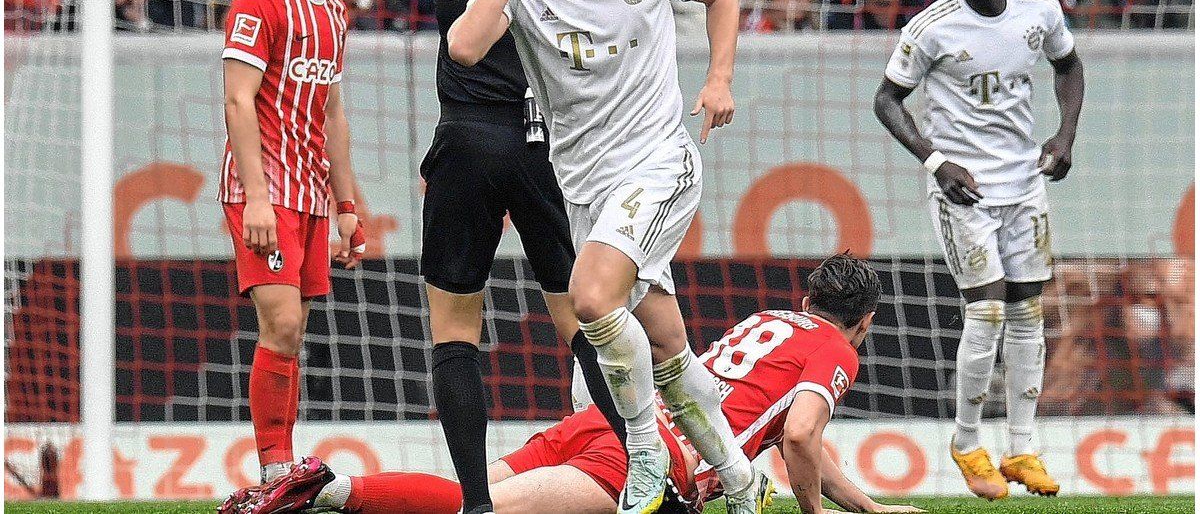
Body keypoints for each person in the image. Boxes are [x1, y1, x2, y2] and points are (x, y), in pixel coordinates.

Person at [445, 0, 772, 512]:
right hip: (585, 184)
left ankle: (644, 450)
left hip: (659, 161)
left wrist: (718, 79)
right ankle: (742, 480)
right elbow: (465, 47)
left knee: (592, 300)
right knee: (669, 347)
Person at [229, 255, 926, 514]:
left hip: (615, 421)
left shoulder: (771, 320)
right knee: (480, 509)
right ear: (864, 322)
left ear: (806, 300)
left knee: (469, 492)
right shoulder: (837, 348)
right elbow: (800, 434)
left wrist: (865, 506)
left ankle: (316, 491)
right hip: (650, 460)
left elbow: (797, 437)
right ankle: (324, 488)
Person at [402, 0, 624, 513]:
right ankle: (652, 477)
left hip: (468, 139)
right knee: (585, 322)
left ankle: (477, 502)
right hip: (545, 144)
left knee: (454, 329)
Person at [873, 0, 1085, 500]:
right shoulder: (931, 28)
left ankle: (1021, 448)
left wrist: (1064, 136)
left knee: (1028, 312)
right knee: (987, 311)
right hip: (962, 189)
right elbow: (886, 100)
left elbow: (1068, 66)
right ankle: (967, 443)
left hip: (1025, 182)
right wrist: (936, 161)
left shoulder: (1040, 12)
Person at [215, 0, 368, 513]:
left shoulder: (334, 13)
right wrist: (256, 198)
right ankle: (275, 468)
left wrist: (347, 206)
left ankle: (279, 471)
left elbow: (332, 115)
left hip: (309, 193)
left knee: (293, 331)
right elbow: (237, 99)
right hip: (264, 190)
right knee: (280, 323)